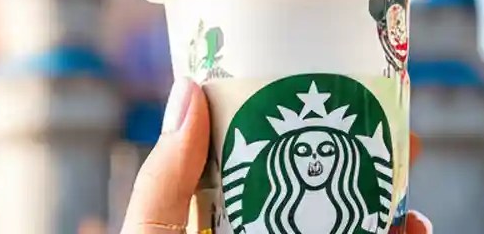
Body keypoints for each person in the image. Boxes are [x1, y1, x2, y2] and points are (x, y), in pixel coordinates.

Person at [121, 78, 433, 234]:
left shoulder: (366, 219)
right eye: (302, 151)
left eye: (326, 151)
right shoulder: (259, 221)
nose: (315, 161)